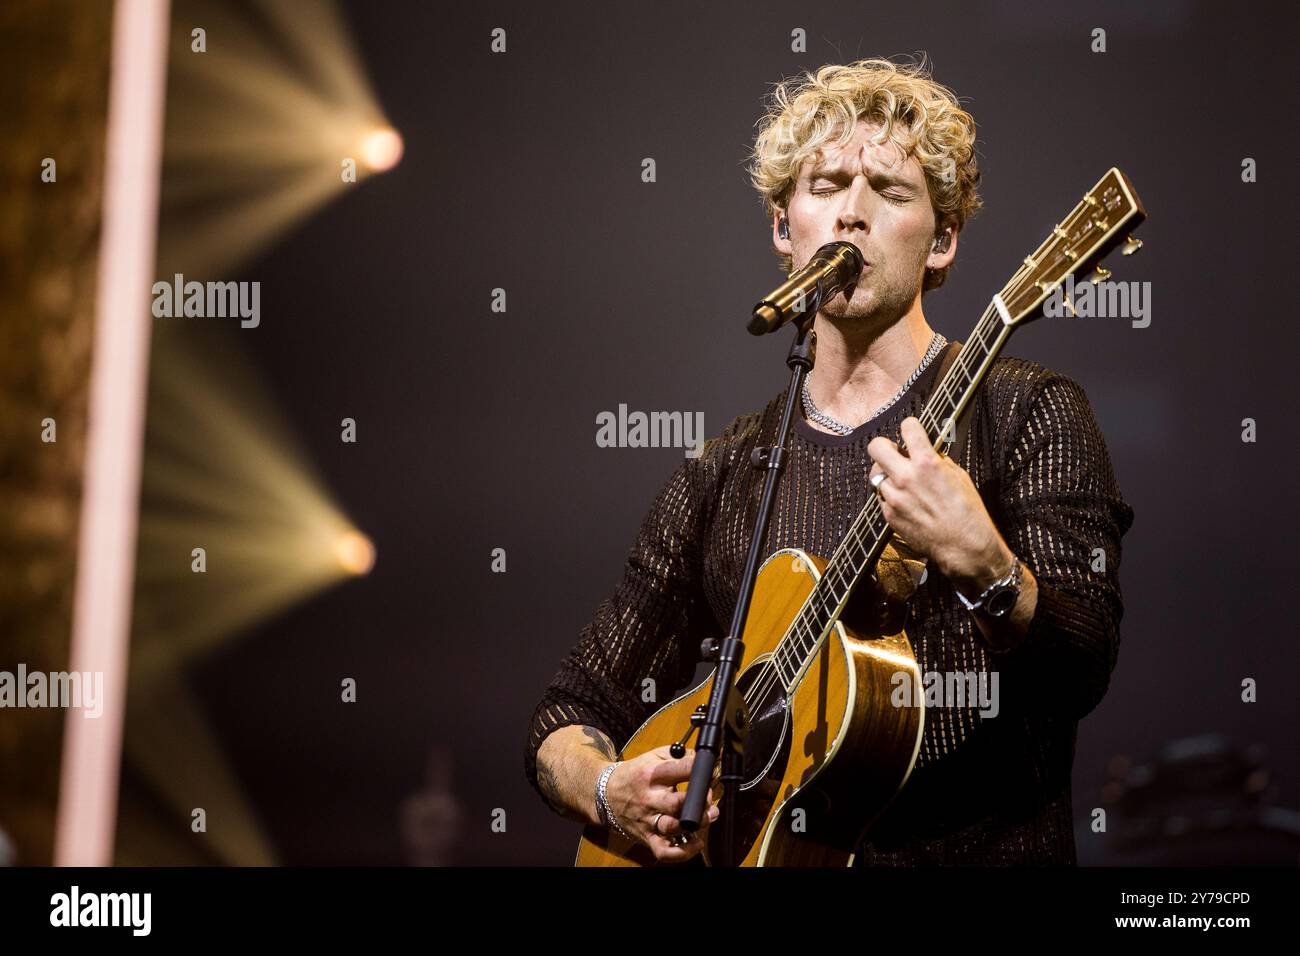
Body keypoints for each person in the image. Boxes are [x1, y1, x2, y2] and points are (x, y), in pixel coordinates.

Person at [523, 56, 1134, 865]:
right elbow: (567, 712)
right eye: (826, 185)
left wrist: (987, 567)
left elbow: (1084, 668)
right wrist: (609, 789)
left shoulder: (1027, 410)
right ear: (785, 229)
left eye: (890, 191)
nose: (852, 212)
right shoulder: (725, 470)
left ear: (942, 240)